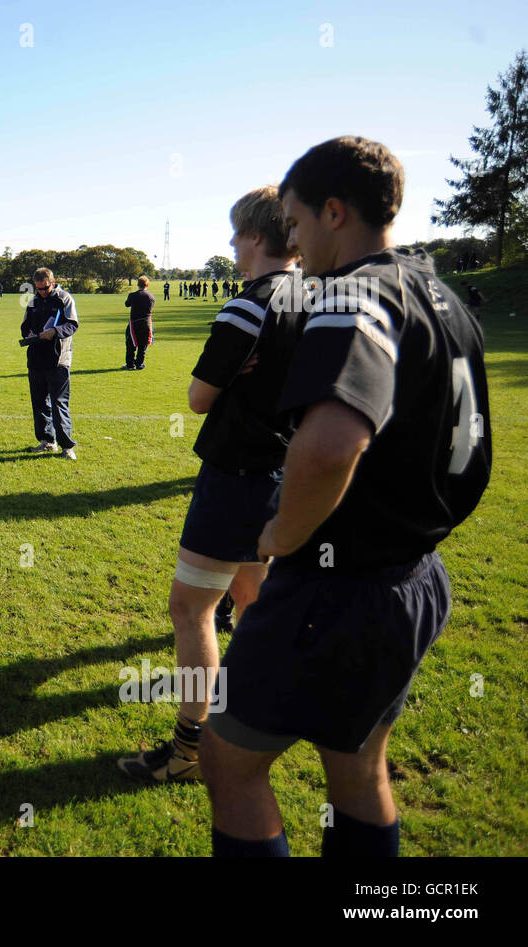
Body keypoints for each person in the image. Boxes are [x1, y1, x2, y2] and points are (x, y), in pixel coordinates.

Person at [202, 137, 492, 857]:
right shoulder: (443, 296)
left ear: (335, 212)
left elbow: (333, 445)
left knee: (229, 761)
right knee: (358, 766)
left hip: (338, 587)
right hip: (415, 577)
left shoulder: (354, 295)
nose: (292, 240)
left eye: (297, 222)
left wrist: (281, 538)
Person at [118, 185, 301, 784]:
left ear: (255, 235)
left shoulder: (248, 306)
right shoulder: (316, 295)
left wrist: (234, 377)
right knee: (251, 600)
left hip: (236, 474)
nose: (230, 242)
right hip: (284, 473)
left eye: (235, 232)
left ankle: (191, 748)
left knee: (191, 607)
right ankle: (253, 722)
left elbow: (198, 398)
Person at [20, 268, 79, 458]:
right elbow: (25, 325)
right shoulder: (34, 301)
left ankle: (67, 447)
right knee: (39, 404)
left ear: (52, 282)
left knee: (59, 403)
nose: (42, 292)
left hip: (58, 360)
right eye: (38, 289)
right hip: (36, 359)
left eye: (44, 288)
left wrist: (54, 332)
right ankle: (47, 441)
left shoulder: (65, 299)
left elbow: (72, 324)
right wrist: (28, 334)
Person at [124, 275, 155, 370]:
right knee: (143, 344)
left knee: (130, 343)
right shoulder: (151, 296)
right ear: (147, 285)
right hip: (146, 323)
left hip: (134, 322)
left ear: (138, 284)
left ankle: (130, 364)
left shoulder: (133, 295)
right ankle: (139, 363)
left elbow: (127, 304)